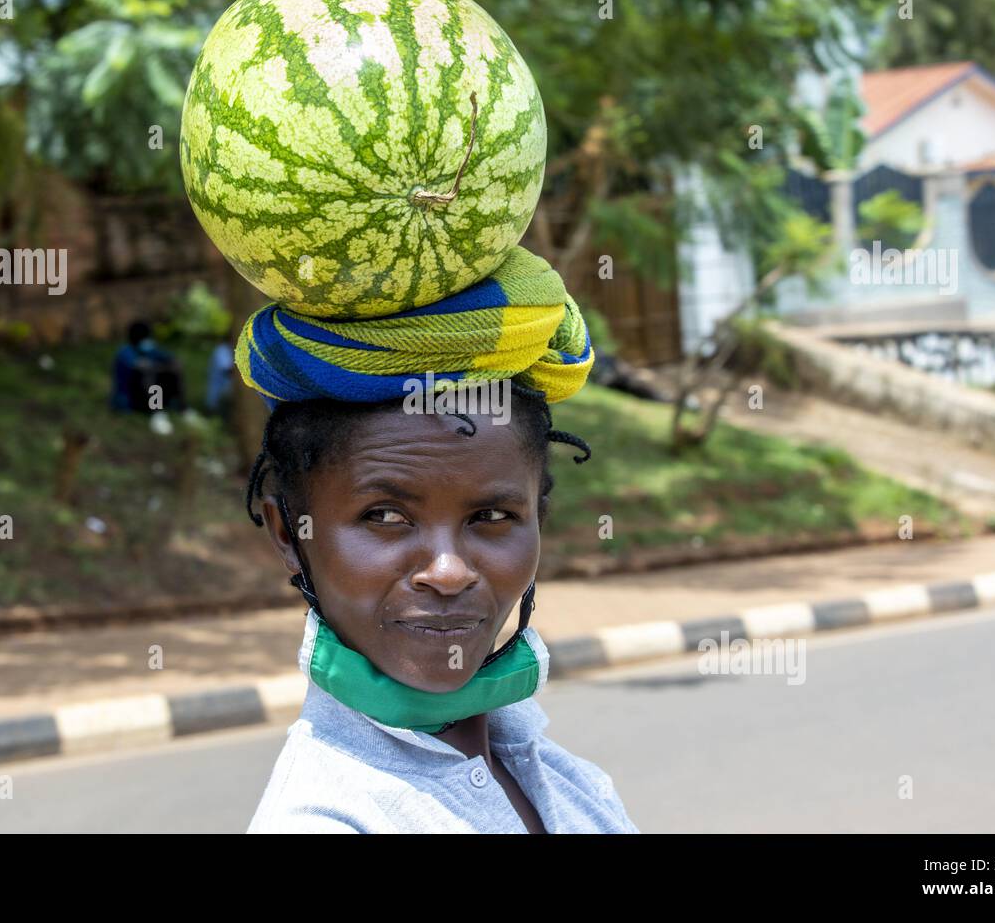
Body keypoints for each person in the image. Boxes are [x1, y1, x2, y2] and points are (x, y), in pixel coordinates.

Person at [237, 246, 640, 834]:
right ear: (288, 533)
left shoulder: (574, 785)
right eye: (385, 517)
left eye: (491, 517)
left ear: (540, 519)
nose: (448, 572)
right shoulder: (325, 821)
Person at [109, 321, 185, 413]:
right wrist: (163, 367)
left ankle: (182, 408)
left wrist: (170, 365)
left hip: (148, 392)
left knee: (174, 370)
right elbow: (143, 367)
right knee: (149, 374)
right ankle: (156, 411)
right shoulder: (125, 353)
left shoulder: (151, 350)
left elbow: (172, 360)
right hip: (128, 398)